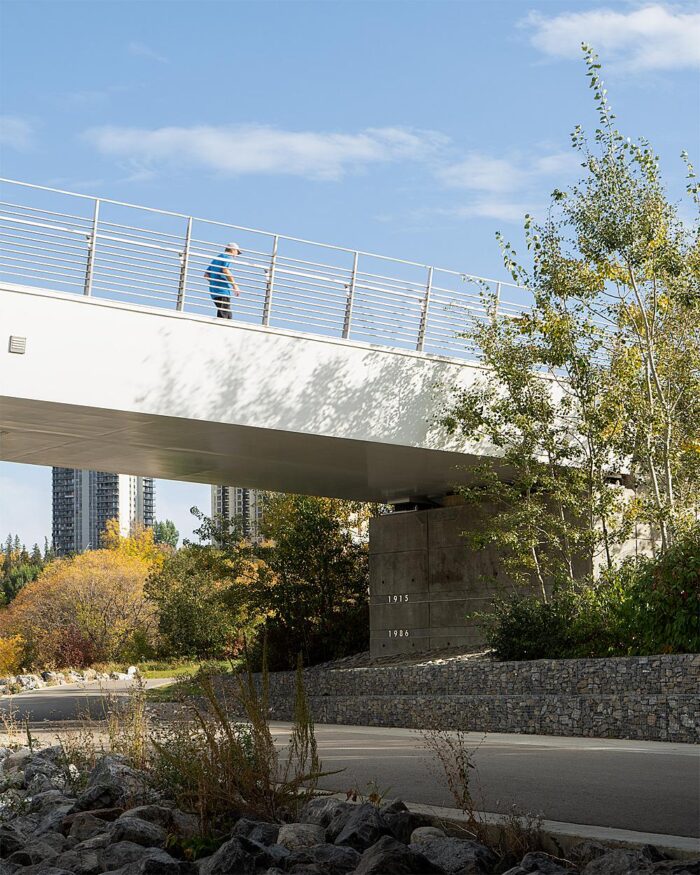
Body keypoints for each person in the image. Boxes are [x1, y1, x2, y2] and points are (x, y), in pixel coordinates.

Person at [204, 242, 241, 319]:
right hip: (222, 291)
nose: (236, 255)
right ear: (233, 250)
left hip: (214, 292)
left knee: (227, 316)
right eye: (237, 252)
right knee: (224, 316)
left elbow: (206, 275)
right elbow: (225, 270)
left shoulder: (217, 258)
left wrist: (214, 282)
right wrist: (235, 286)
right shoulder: (227, 257)